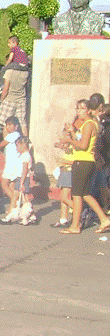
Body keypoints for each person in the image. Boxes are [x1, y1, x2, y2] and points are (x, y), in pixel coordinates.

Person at [58, 98, 110, 234]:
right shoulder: (88, 124)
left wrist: (68, 140)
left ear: (89, 110)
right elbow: (80, 141)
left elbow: (83, 145)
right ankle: (104, 219)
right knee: (85, 194)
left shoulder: (88, 124)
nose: (79, 111)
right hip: (84, 161)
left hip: (83, 161)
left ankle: (75, 225)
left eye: (82, 108)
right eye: (77, 108)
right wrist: (73, 133)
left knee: (77, 195)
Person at [0, 136, 36, 225]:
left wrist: (21, 183)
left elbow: (24, 170)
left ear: (23, 145)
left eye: (18, 146)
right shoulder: (25, 155)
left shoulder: (25, 156)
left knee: (14, 198)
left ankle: (9, 216)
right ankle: (32, 216)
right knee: (25, 199)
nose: (16, 148)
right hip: (23, 178)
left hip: (22, 179)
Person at [0, 40, 30, 136]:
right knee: (22, 122)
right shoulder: (26, 73)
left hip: (9, 99)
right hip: (21, 100)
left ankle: (6, 142)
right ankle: (25, 141)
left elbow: (5, 89)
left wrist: (1, 99)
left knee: (5, 122)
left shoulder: (9, 71)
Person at [0, 116, 22, 217]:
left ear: (16, 126)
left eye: (10, 125)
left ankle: (16, 203)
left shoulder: (14, 135)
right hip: (12, 163)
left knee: (4, 184)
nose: (8, 127)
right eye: (7, 125)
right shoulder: (13, 135)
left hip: (12, 164)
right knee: (11, 186)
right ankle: (14, 206)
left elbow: (0, 145)